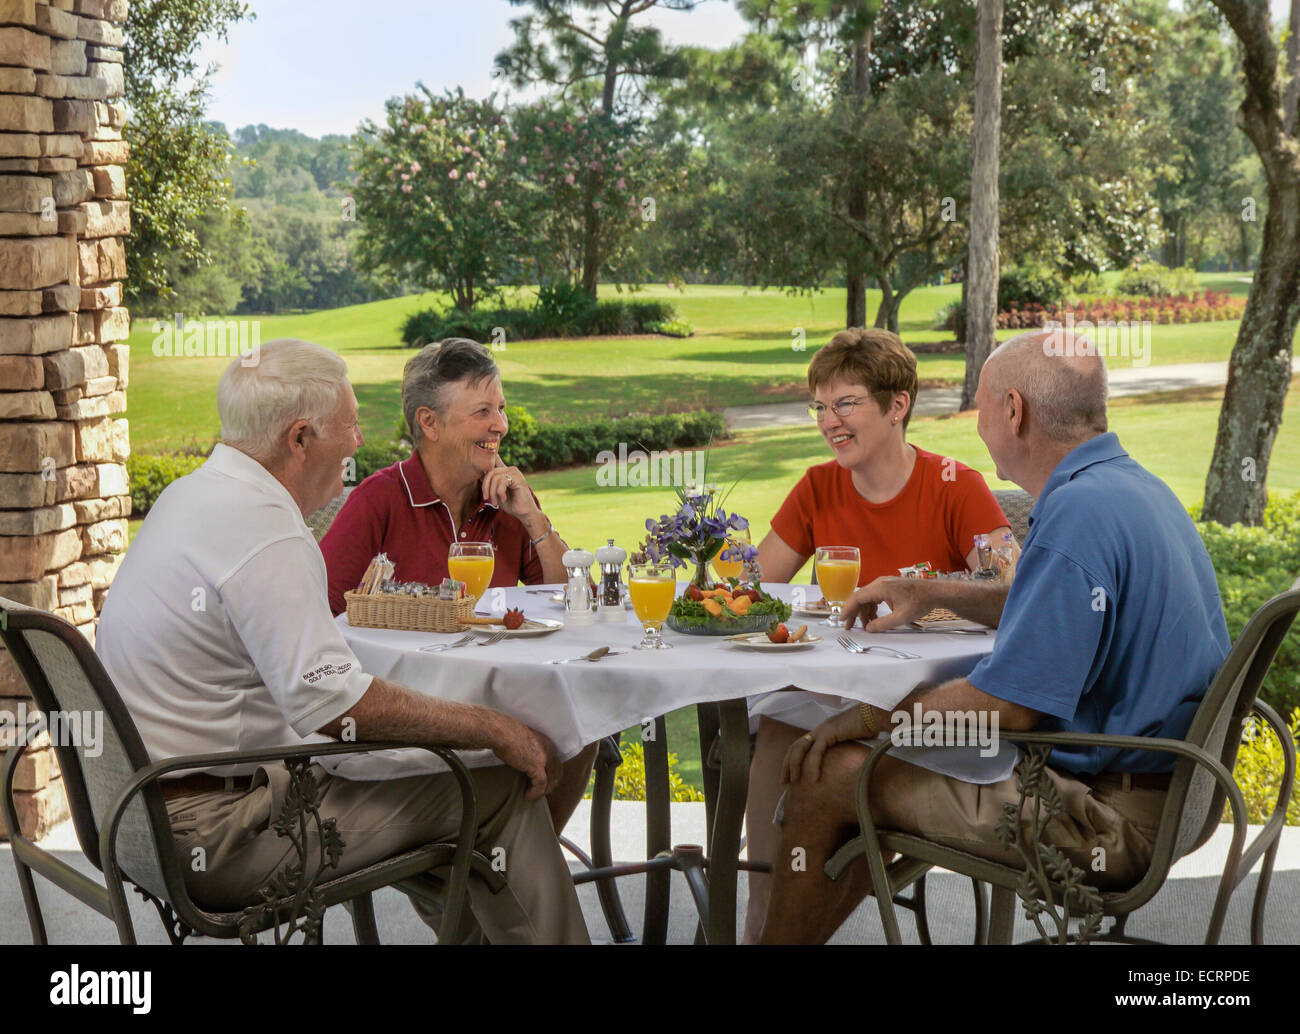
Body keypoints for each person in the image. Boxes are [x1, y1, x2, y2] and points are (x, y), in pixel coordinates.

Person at [96, 338, 589, 944]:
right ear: (300, 439)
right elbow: (335, 705)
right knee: (500, 787)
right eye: (349, 426)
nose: (359, 443)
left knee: (453, 790)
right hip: (221, 832)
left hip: (142, 812)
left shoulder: (190, 495)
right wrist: (497, 730)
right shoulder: (267, 531)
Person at [756, 329, 1231, 943]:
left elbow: (1010, 708)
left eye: (979, 405)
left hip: (1106, 821)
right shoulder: (1129, 487)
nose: (975, 424)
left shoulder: (1075, 516)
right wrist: (933, 591)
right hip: (1177, 792)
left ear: (1014, 410)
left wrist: (866, 719)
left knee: (826, 776)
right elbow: (1047, 608)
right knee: (858, 766)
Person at [742, 327, 1012, 941]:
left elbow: (1012, 587)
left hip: (925, 700)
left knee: (827, 752)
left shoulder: (955, 485)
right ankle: (763, 915)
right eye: (821, 406)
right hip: (836, 681)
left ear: (897, 406)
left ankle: (798, 918)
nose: (829, 421)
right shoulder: (818, 486)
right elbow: (754, 593)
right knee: (778, 733)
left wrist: (935, 595)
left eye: (846, 403)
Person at [320, 337, 596, 834]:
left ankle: (517, 861)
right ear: (429, 422)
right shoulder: (378, 501)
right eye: (483, 412)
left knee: (582, 724)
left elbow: (574, 600)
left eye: (502, 409)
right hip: (421, 713)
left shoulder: (508, 498)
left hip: (504, 695)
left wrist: (533, 519)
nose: (501, 426)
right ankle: (500, 870)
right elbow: (317, 619)